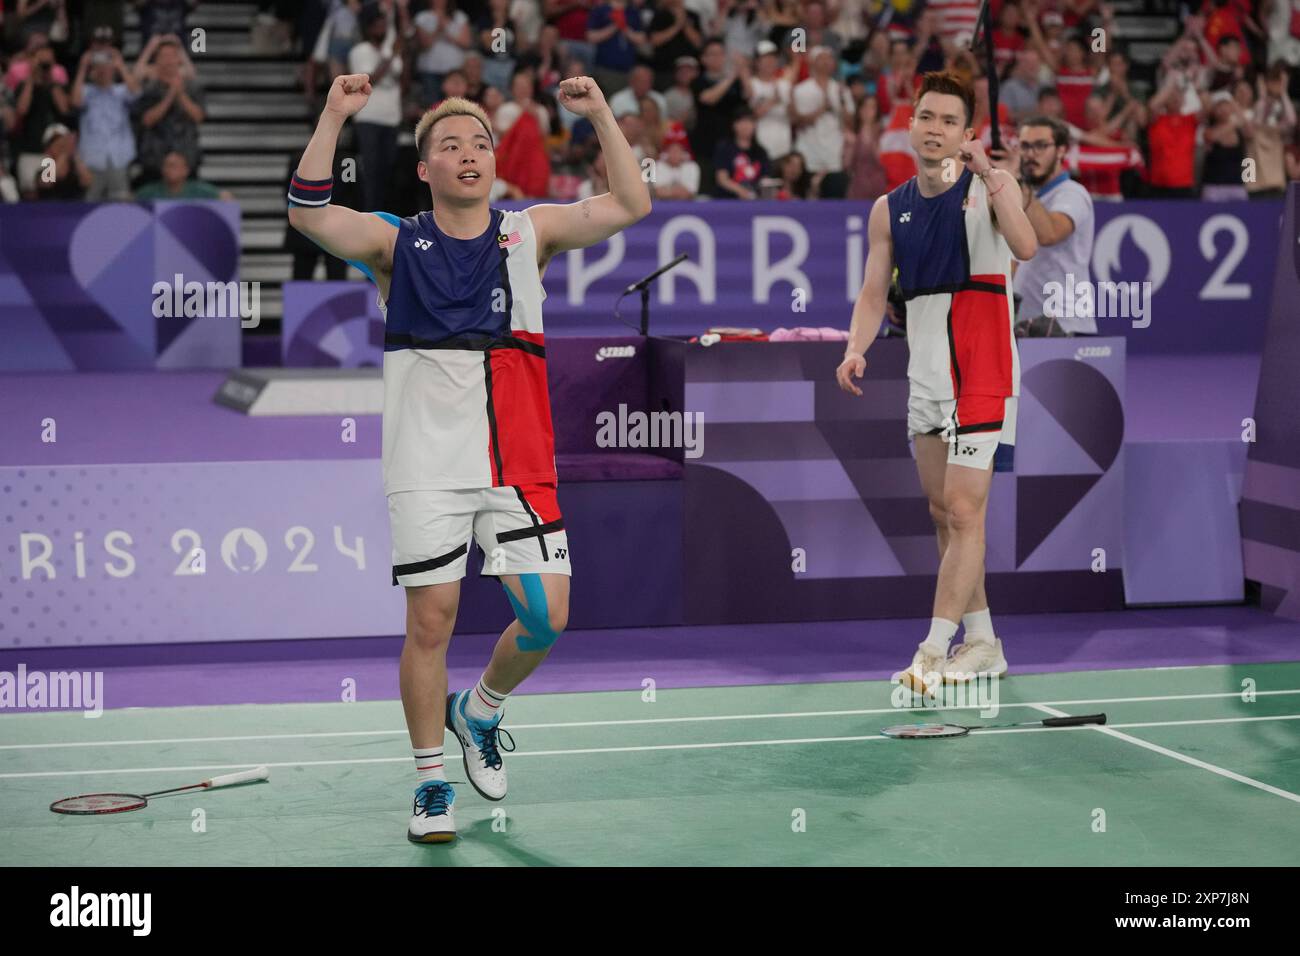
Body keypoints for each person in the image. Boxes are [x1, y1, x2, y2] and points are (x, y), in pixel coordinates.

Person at [286, 70, 651, 844]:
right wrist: (332, 115)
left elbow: (630, 204)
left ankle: (478, 710)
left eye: (479, 142)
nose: (468, 153)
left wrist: (600, 116)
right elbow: (308, 213)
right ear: (425, 169)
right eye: (448, 145)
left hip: (517, 463)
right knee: (432, 620)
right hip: (425, 467)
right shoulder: (395, 242)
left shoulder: (531, 232)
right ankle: (428, 784)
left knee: (546, 617)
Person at [836, 70, 1037, 695]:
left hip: (982, 371)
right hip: (926, 371)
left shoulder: (990, 190)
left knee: (963, 509)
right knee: (942, 513)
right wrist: (855, 349)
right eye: (927, 116)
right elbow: (874, 290)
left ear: (967, 134)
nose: (936, 129)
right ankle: (983, 642)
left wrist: (992, 173)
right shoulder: (886, 208)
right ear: (910, 123)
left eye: (950, 121)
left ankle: (930, 650)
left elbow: (1026, 244)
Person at [1008, 116, 1096, 336]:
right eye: (1025, 146)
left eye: (1041, 146)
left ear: (1061, 151)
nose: (1031, 154)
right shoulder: (1021, 196)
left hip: (1067, 326)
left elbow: (1049, 233)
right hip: (1024, 325)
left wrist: (1017, 180)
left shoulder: (1073, 193)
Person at [71, 44, 139, 201]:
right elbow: (75, 101)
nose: (102, 71)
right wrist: (83, 67)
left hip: (119, 156)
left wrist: (120, 65)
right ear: (92, 71)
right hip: (92, 158)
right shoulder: (86, 91)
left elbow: (136, 92)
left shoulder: (121, 91)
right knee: (91, 202)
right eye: (98, 68)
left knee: (121, 203)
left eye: (106, 67)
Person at [135, 149, 233, 199]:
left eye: (173, 166)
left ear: (185, 170)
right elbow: (132, 201)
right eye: (166, 165)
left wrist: (225, 196)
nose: (168, 169)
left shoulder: (199, 190)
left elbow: (224, 196)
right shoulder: (150, 191)